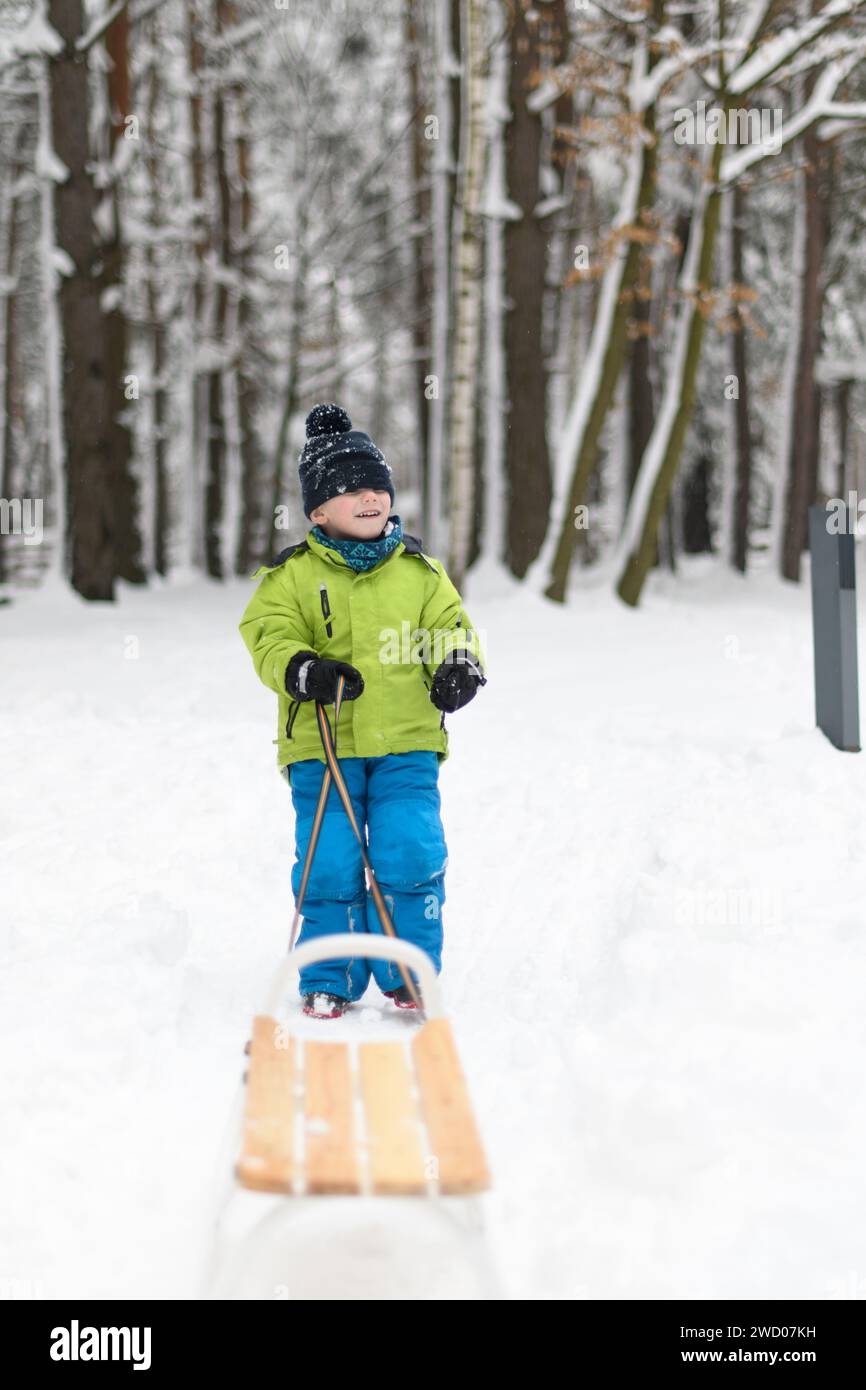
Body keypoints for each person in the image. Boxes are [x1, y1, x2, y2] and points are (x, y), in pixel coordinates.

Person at [239, 403, 487, 1018]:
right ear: (319, 511)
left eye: (377, 485)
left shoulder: (421, 573)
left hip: (406, 741)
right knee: (330, 859)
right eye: (351, 490)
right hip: (322, 747)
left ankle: (409, 972)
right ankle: (330, 972)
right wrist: (303, 669)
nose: (370, 497)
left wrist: (457, 664)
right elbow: (267, 635)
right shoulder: (290, 577)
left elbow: (450, 628)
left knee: (411, 850)